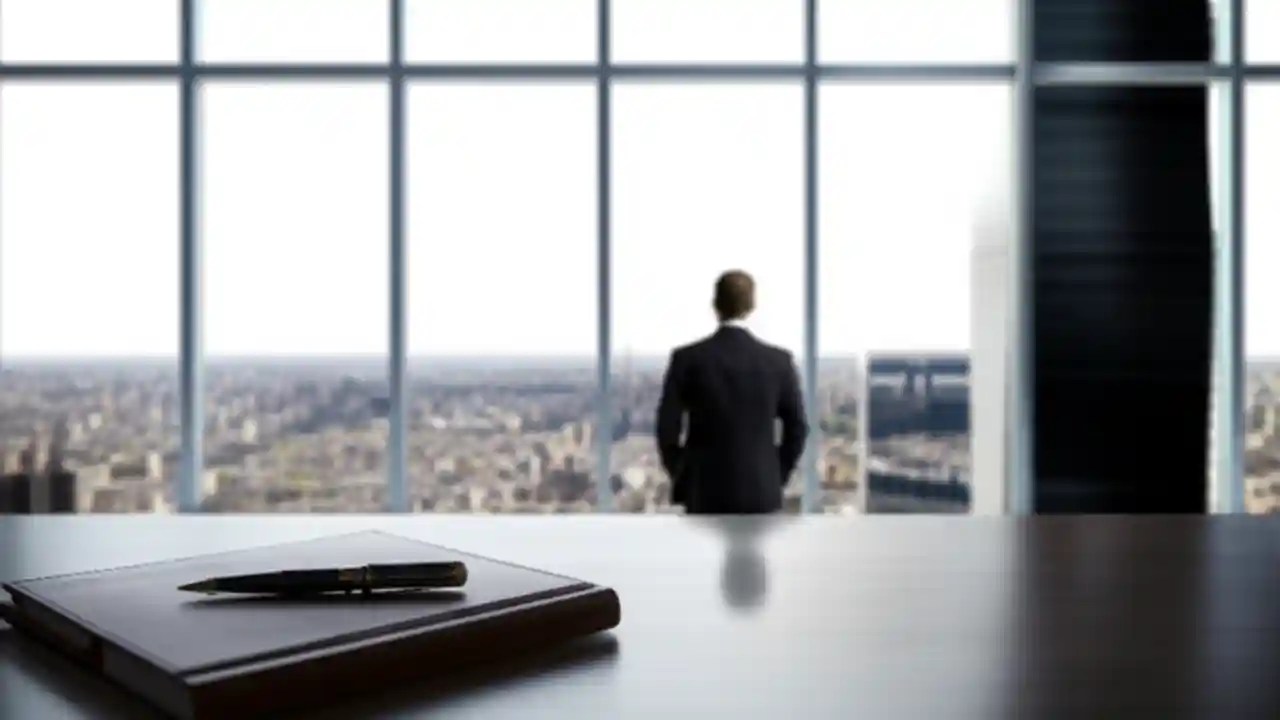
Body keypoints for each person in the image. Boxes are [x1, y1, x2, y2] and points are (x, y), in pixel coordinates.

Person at [657, 270, 808, 514]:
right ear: (752, 305)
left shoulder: (687, 360)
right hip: (761, 491)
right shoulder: (778, 362)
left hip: (702, 491)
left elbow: (667, 429)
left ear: (715, 305)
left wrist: (684, 472)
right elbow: (797, 429)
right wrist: (775, 474)